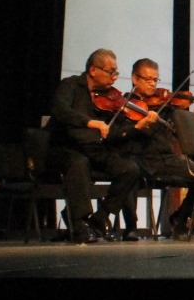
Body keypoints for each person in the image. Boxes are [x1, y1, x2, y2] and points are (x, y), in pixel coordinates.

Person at [46, 48, 145, 243]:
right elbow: (61, 111)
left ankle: (101, 217)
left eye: (116, 72)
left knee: (129, 169)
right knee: (79, 163)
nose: (114, 78)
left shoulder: (107, 97)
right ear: (93, 70)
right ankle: (80, 223)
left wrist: (135, 128)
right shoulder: (71, 85)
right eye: (111, 72)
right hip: (64, 148)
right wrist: (90, 122)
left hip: (93, 149)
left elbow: (113, 133)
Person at [106, 58, 194, 240]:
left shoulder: (165, 106)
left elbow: (180, 132)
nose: (152, 84)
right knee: (129, 171)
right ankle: (131, 226)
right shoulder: (123, 106)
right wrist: (140, 125)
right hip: (138, 157)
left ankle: (180, 218)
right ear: (135, 79)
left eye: (155, 80)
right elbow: (116, 135)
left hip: (165, 160)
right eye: (147, 79)